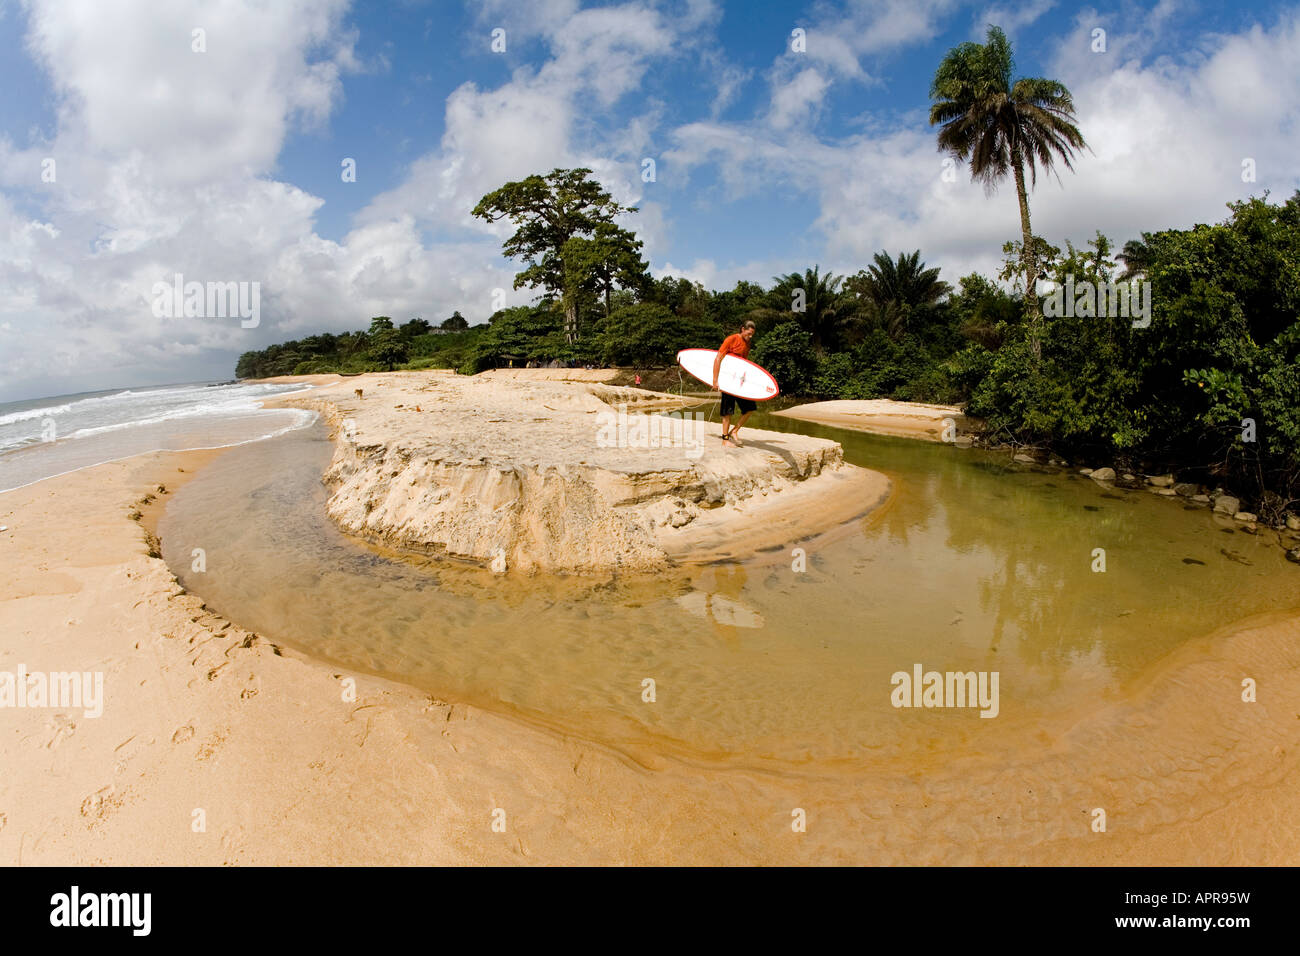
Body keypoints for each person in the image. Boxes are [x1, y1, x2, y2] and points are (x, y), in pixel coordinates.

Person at [712, 320, 757, 446]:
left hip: (739, 382)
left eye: (752, 334)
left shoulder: (748, 344)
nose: (750, 336)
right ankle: (725, 440)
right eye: (749, 333)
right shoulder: (731, 339)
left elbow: (743, 364)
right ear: (742, 329)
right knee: (727, 410)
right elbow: (718, 358)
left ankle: (735, 431)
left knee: (750, 408)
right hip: (728, 380)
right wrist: (715, 380)